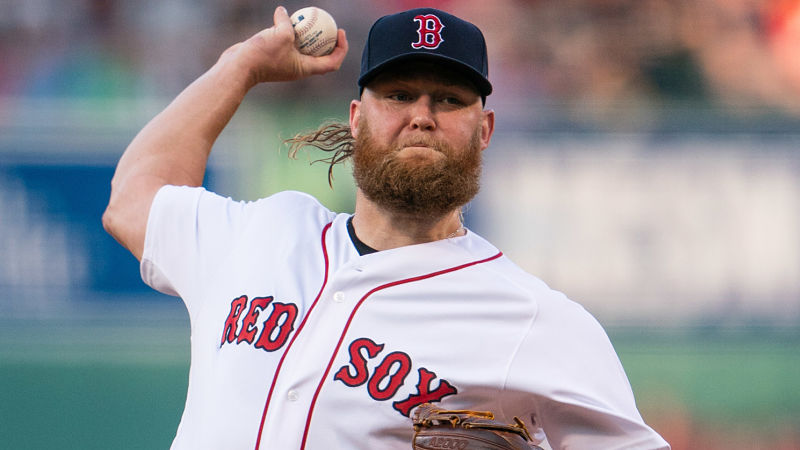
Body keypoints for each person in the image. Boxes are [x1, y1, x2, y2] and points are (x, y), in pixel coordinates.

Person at [103, 6, 670, 450]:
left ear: (485, 130)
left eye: (449, 99)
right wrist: (240, 66)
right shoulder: (264, 232)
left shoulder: (533, 319)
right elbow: (132, 202)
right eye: (398, 94)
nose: (421, 115)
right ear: (355, 119)